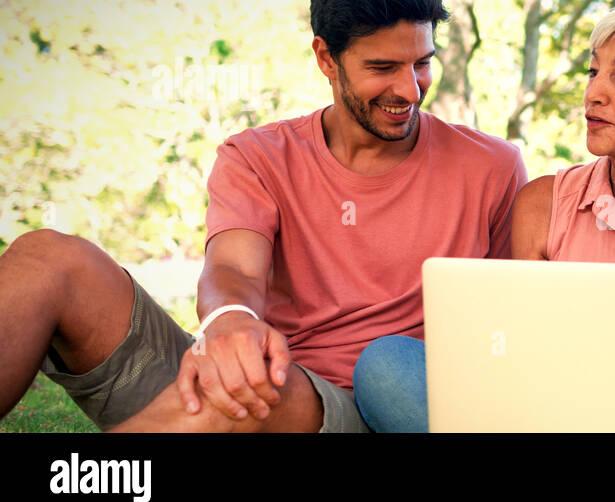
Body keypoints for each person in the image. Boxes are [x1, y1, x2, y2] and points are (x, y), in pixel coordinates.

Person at [0, 0, 526, 432]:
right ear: (326, 57)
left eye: (422, 63)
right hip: (258, 372)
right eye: (382, 68)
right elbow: (234, 269)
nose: (409, 90)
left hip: (363, 408)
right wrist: (231, 319)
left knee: (245, 390)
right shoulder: (258, 155)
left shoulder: (492, 167)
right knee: (46, 257)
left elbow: (509, 320)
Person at [353, 0, 615, 432]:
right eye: (594, 72)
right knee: (386, 364)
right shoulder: (542, 204)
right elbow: (517, 352)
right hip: (537, 410)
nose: (593, 93)